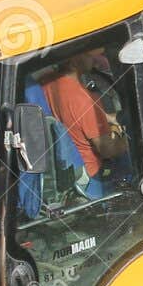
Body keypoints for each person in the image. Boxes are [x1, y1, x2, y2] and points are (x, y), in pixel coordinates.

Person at [40, 49, 128, 198]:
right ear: (74, 60)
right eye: (91, 54)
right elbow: (108, 150)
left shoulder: (47, 82)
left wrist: (102, 116)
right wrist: (123, 135)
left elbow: (73, 114)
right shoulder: (85, 100)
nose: (96, 58)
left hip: (67, 162)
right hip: (91, 173)